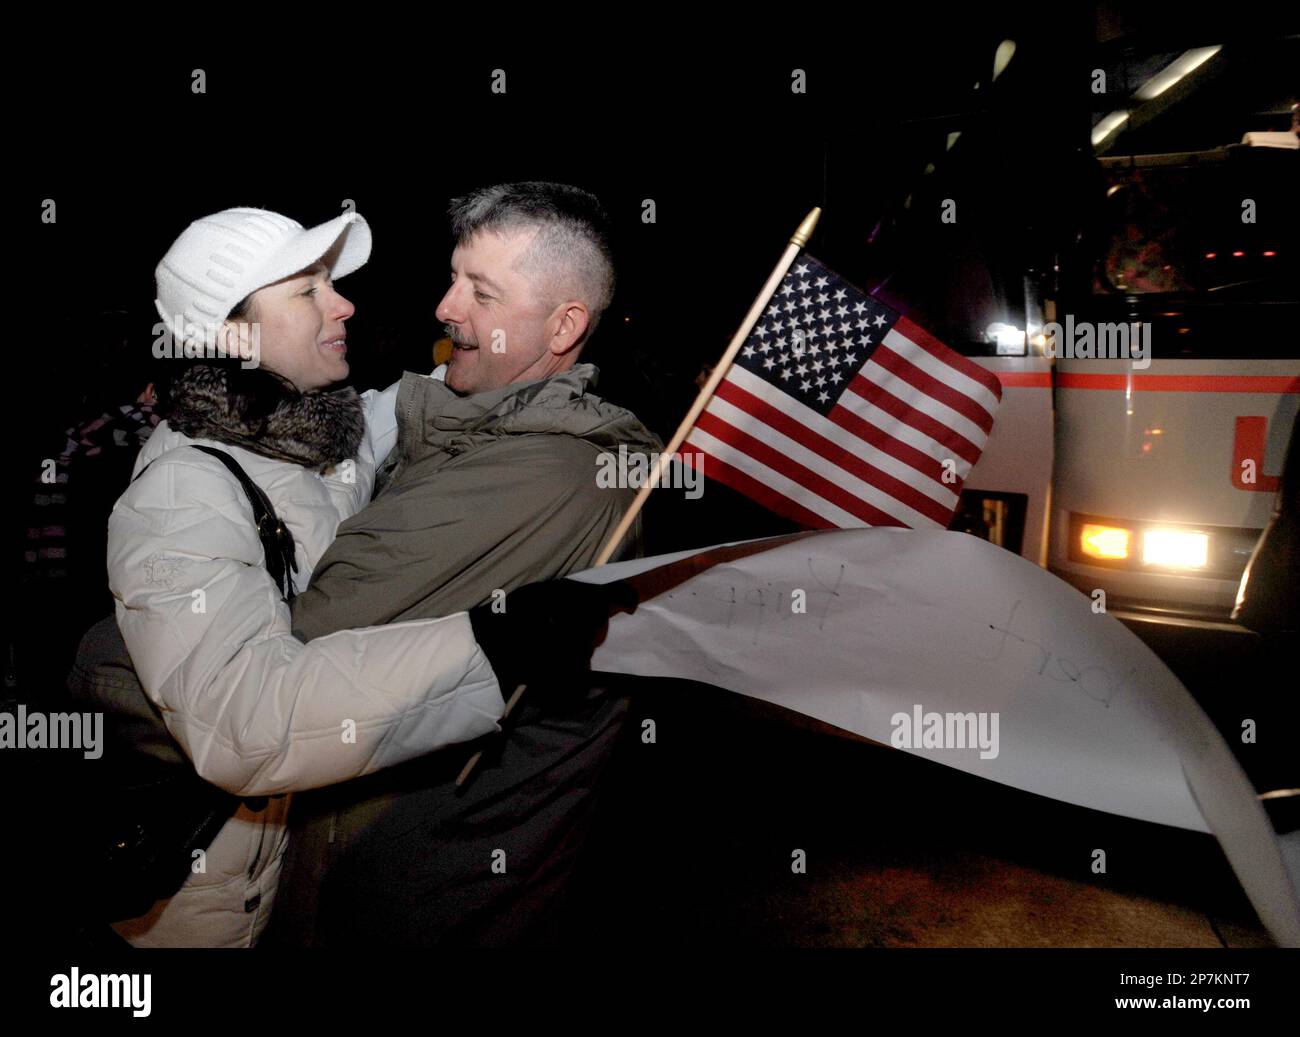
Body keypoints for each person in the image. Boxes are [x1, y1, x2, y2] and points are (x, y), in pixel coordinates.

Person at [97, 206, 624, 947]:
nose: (343, 301)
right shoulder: (182, 492)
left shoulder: (327, 433)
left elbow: (455, 389)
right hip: (205, 911)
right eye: (307, 290)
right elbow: (245, 723)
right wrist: (486, 648)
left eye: (331, 281)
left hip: (292, 885)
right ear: (236, 335)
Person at [272, 183, 663, 945]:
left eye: (480, 291)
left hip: (419, 898)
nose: (447, 308)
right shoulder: (464, 432)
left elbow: (297, 646)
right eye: (453, 279)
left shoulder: (546, 474)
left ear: (563, 326)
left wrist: (109, 661)